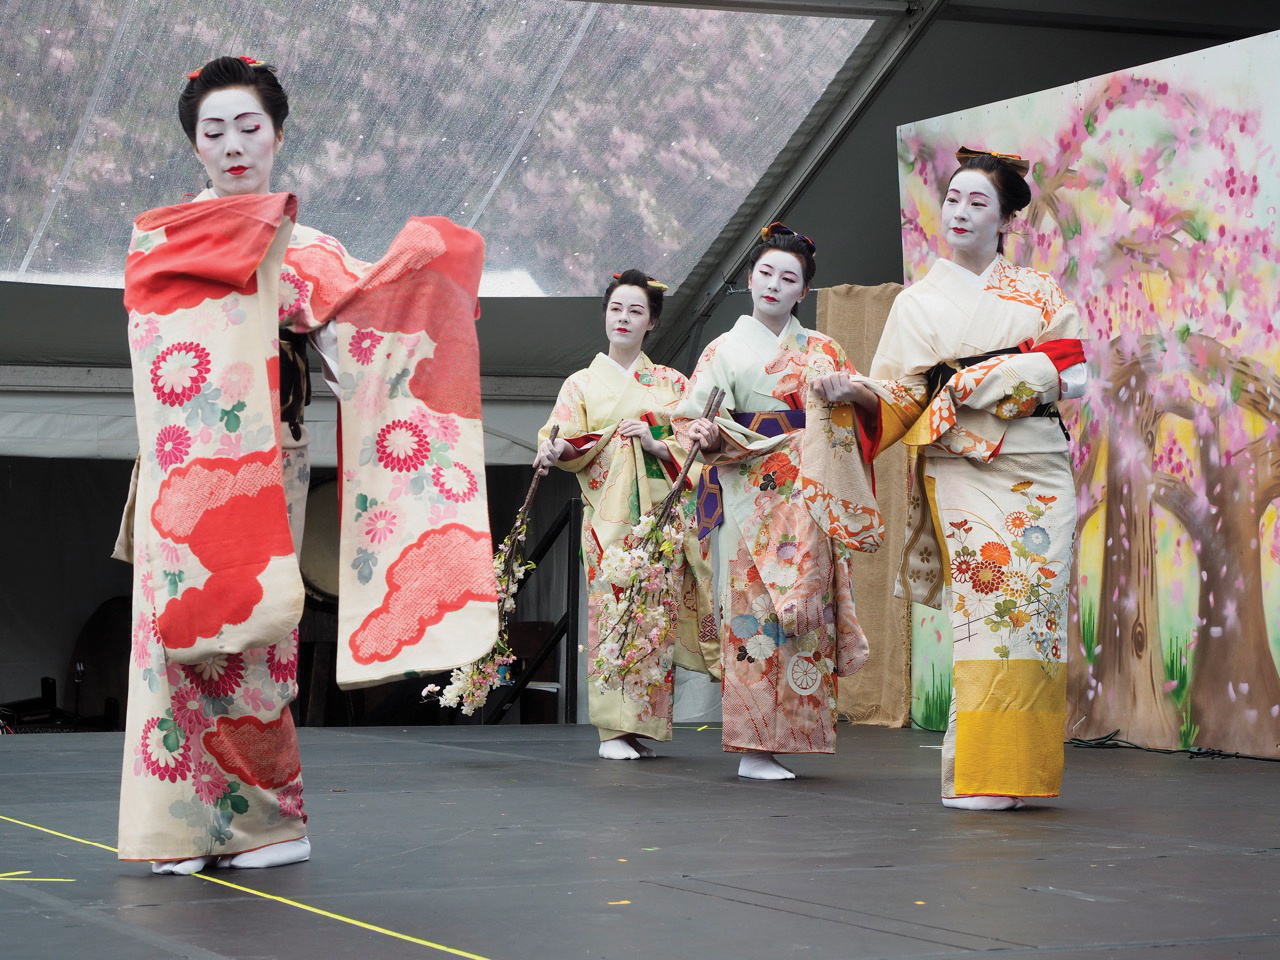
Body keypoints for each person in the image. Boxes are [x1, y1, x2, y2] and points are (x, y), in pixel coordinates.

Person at [117, 56, 494, 873]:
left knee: (255, 636)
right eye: (213, 130)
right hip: (187, 460)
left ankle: (268, 826)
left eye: (249, 126)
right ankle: (181, 826)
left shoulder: (309, 246)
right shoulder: (167, 235)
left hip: (268, 457)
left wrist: (437, 296)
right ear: (194, 146)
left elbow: (375, 323)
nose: (233, 144)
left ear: (278, 134)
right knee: (177, 636)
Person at [861, 147, 1088, 809]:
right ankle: (979, 774)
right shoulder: (916, 303)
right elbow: (898, 397)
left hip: (1040, 467)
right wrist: (855, 394)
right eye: (953, 199)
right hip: (965, 466)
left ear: (1006, 219)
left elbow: (1074, 373)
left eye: (976, 202)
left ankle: (1017, 773)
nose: (958, 211)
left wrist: (985, 379)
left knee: (1035, 618)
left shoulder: (1040, 292)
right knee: (992, 609)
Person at [673, 224, 884, 780]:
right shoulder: (723, 349)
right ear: (749, 279)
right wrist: (706, 435)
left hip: (810, 494)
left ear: (802, 294)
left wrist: (853, 392)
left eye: (788, 277)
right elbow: (695, 417)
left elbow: (868, 409)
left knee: (807, 616)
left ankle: (797, 733)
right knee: (755, 614)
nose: (773, 283)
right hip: (752, 495)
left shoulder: (825, 350)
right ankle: (753, 747)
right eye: (765, 272)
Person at [534, 270, 717, 760]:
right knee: (612, 612)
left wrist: (656, 441)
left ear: (652, 322)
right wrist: (553, 450)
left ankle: (640, 727)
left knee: (652, 615)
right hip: (608, 517)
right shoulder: (581, 383)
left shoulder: (672, 383)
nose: (624, 318)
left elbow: (692, 440)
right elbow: (561, 435)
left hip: (658, 518)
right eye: (617, 308)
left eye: (636, 311)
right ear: (606, 316)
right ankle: (611, 732)